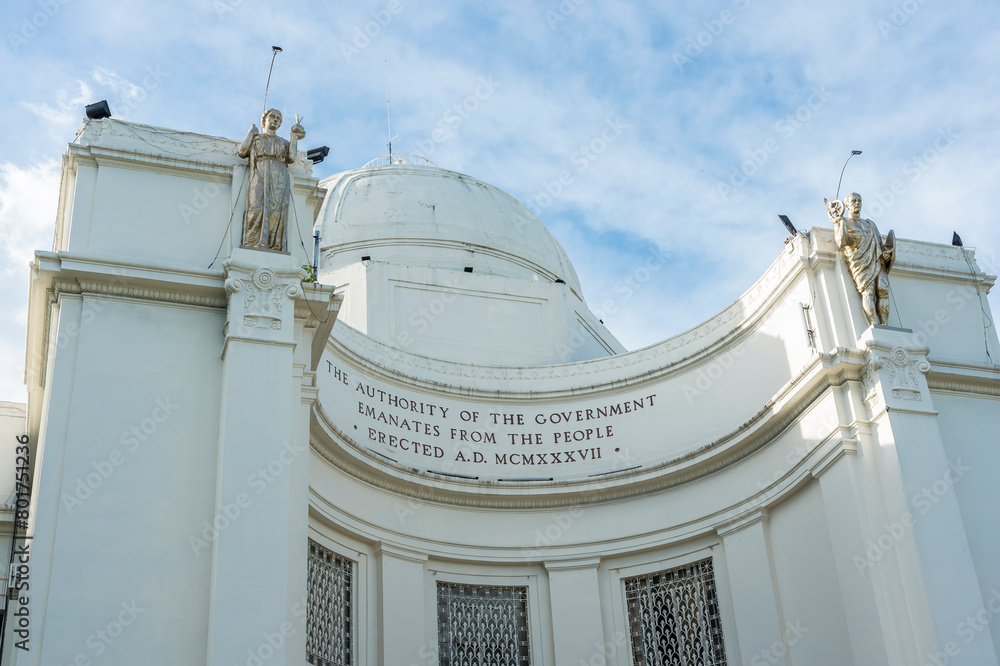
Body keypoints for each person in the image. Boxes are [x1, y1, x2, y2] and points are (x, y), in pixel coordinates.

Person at [238, 108, 305, 251]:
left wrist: (295, 136)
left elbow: (292, 158)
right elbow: (242, 152)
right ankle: (251, 241)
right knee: (255, 206)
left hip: (279, 174)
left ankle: (274, 245)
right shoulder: (256, 137)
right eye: (272, 117)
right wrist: (250, 134)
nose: (275, 120)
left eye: (278, 119)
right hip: (259, 171)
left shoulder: (283, 142)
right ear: (265, 120)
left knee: (276, 210)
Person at [825, 192, 896, 326]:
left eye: (859, 201)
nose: (857, 203)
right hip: (860, 262)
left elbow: (880, 244)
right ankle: (874, 325)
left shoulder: (870, 224)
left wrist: (887, 252)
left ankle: (885, 325)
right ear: (846, 205)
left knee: (883, 290)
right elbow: (841, 242)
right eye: (853, 201)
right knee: (868, 292)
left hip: (877, 259)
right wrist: (841, 222)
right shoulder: (844, 223)